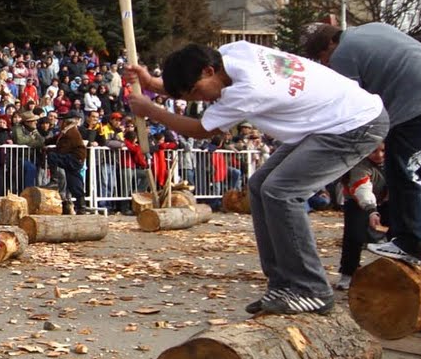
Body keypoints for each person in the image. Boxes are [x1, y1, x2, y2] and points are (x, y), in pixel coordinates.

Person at [128, 43, 387, 315]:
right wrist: (151, 83)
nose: (200, 100)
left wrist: (153, 111)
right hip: (326, 123)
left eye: (196, 93)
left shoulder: (248, 89)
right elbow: (194, 88)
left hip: (355, 124)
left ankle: (311, 289)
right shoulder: (233, 52)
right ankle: (284, 283)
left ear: (209, 70)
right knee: (260, 185)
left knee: (281, 191)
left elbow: (200, 130)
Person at [302, 23, 421, 267]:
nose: (326, 64)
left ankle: (410, 243)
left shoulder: (343, 53)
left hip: (415, 107)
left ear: (330, 45)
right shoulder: (373, 29)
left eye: (323, 58)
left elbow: (351, 102)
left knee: (401, 174)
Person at [337, 143, 388, 290]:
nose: (379, 155)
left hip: (385, 201)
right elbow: (362, 190)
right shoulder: (360, 166)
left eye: (383, 151)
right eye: (374, 151)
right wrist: (372, 210)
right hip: (357, 202)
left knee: (396, 234)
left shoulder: (393, 162)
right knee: (354, 236)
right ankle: (348, 273)